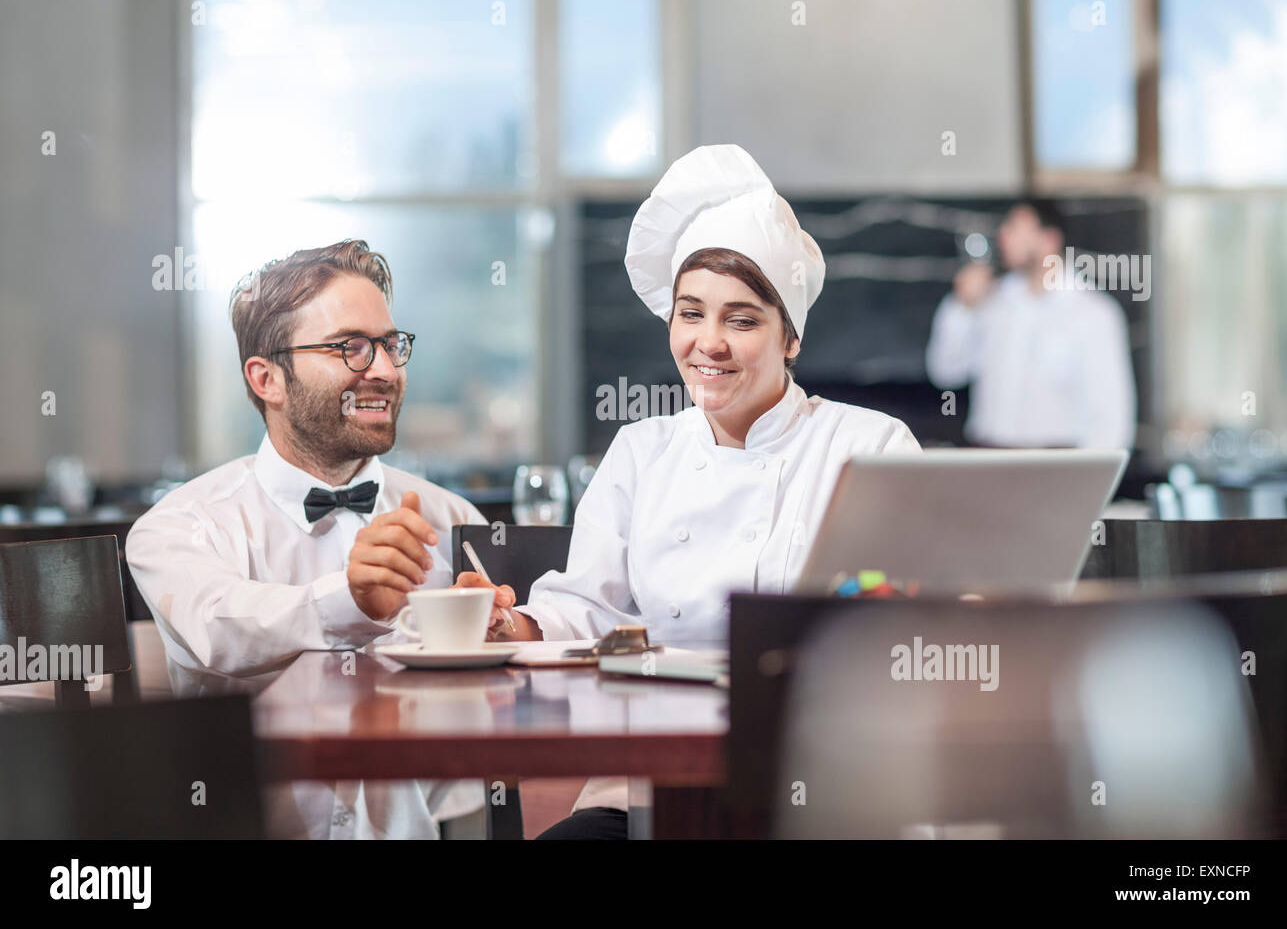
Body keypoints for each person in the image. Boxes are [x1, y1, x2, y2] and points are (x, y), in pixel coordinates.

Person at [486, 144, 921, 838]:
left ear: (791, 339)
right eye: (691, 313)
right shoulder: (642, 451)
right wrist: (510, 626)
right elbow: (585, 609)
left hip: (820, 784)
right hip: (648, 783)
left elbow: (911, 615)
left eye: (741, 320)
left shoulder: (869, 446)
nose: (708, 343)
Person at [125, 239, 513, 839]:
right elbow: (220, 629)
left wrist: (504, 633)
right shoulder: (178, 526)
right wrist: (350, 599)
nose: (384, 370)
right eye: (349, 347)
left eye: (390, 345)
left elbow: (502, 716)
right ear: (267, 379)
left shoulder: (452, 517)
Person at [925, 200, 1136, 450]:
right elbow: (945, 371)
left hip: (1056, 461)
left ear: (1049, 240)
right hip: (986, 455)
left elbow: (1110, 416)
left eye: (1014, 227)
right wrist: (963, 307)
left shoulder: (1093, 314)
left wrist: (1092, 472)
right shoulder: (993, 302)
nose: (1003, 235)